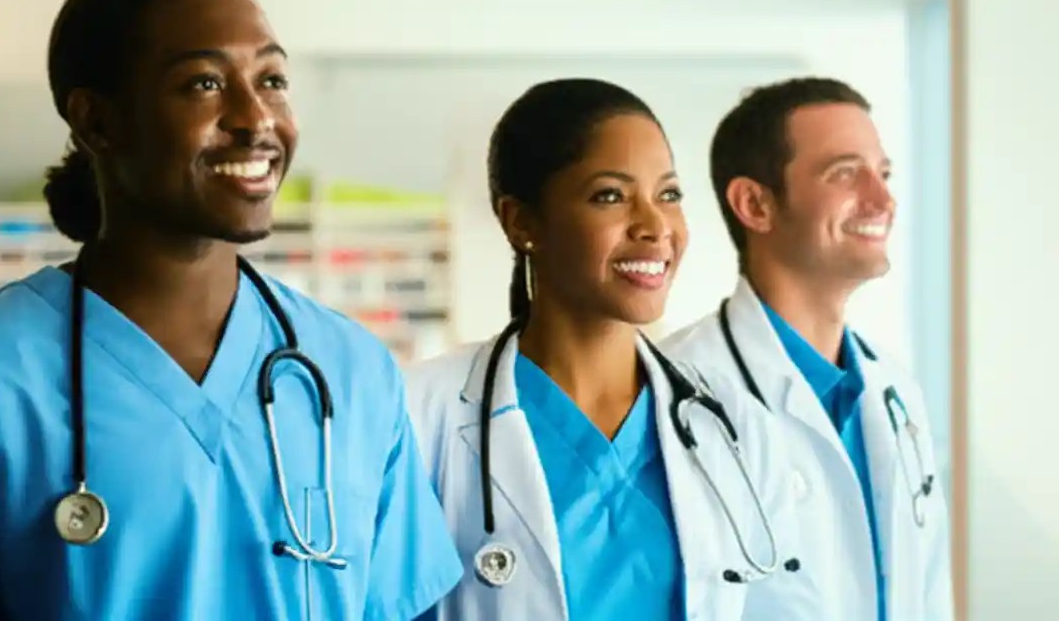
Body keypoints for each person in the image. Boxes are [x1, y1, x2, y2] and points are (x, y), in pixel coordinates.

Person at [0, 0, 462, 620]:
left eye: (271, 79)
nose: (255, 117)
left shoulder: (349, 374)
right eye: (205, 84)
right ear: (97, 121)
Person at [405, 79, 819, 620]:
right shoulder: (419, 418)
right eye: (611, 196)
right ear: (522, 221)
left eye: (668, 194)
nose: (655, 226)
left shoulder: (735, 428)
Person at [662, 76, 953, 620]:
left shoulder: (895, 389)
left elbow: (931, 592)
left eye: (883, 174)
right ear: (755, 204)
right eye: (845, 173)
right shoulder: (676, 392)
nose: (882, 199)